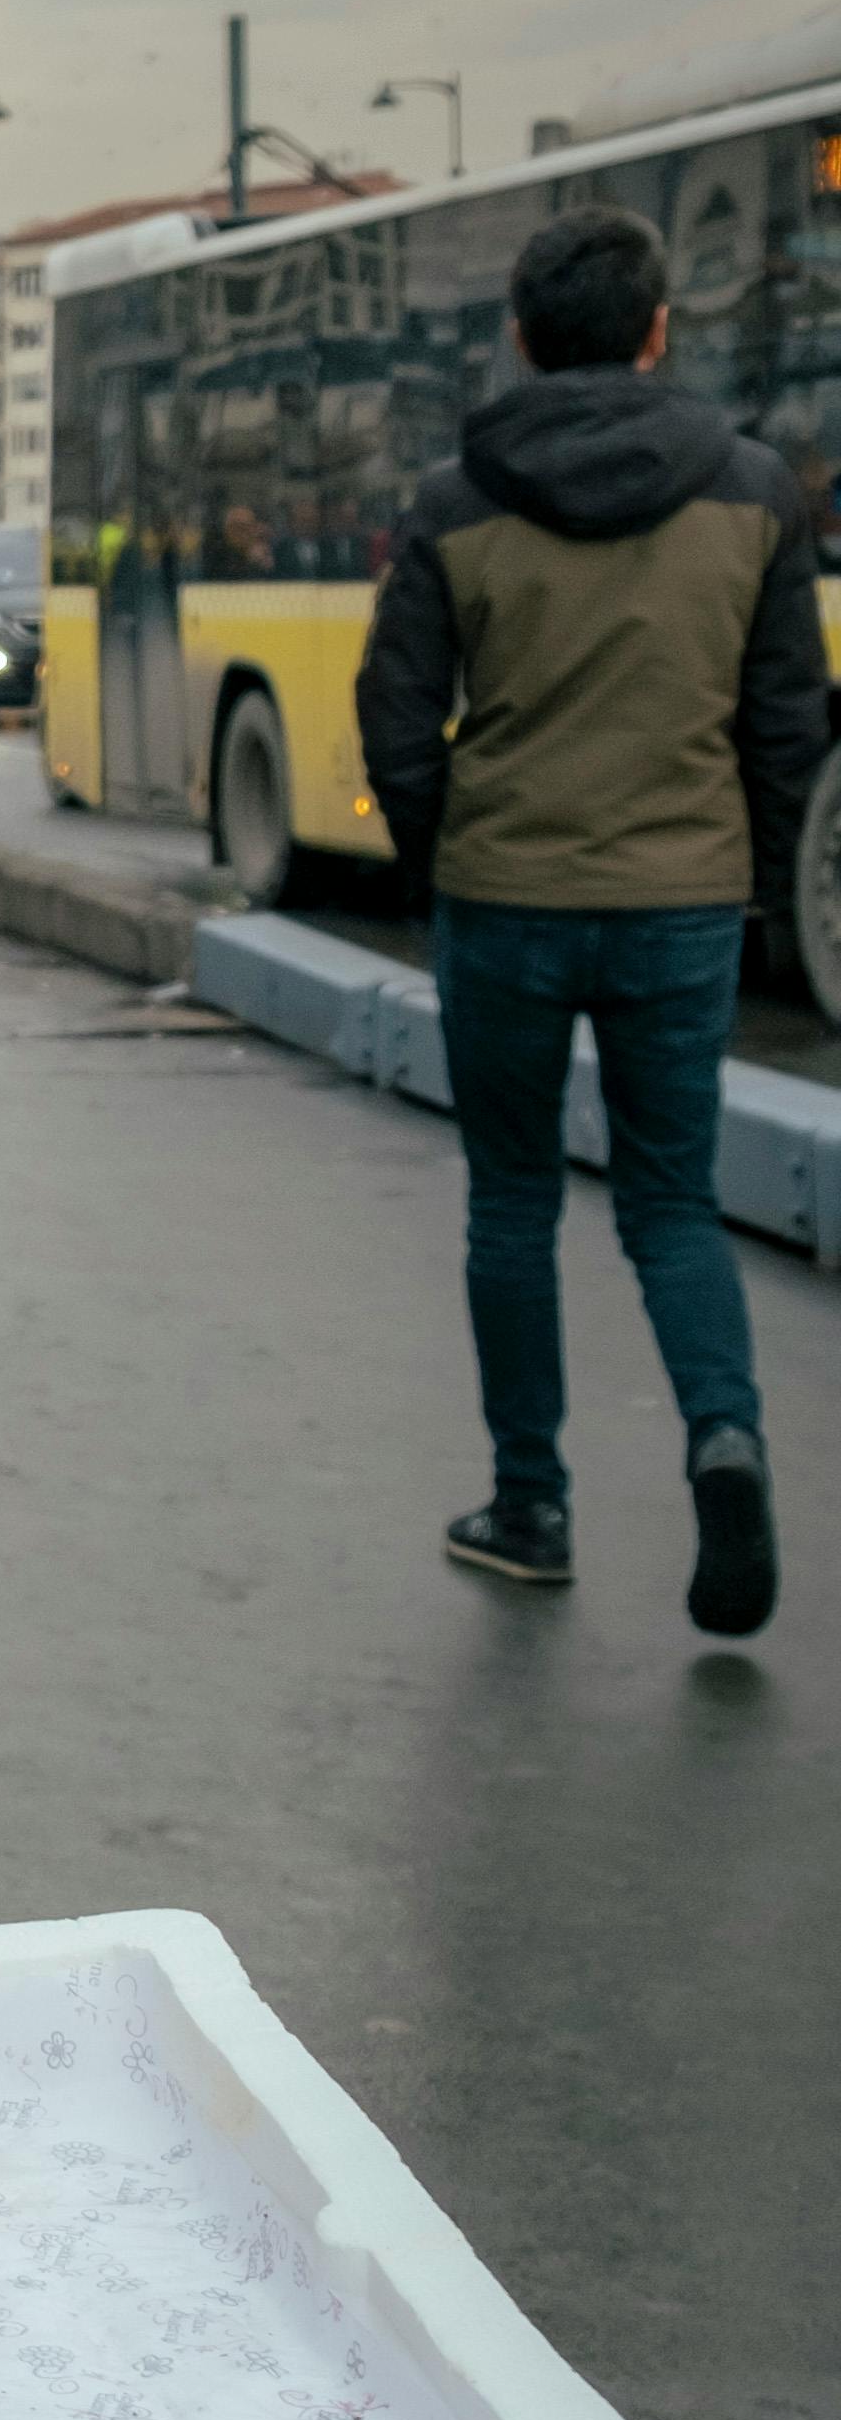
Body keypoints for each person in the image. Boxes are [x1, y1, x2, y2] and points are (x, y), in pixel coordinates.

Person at [357, 195, 821, 1626]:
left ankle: (532, 1503)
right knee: (674, 1204)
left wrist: (446, 849)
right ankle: (724, 1437)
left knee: (511, 1200)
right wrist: (748, 876)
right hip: (682, 900)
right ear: (658, 330)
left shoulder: (452, 501)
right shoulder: (755, 492)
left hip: (506, 893)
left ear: (518, 337)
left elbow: (394, 719)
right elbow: (789, 726)